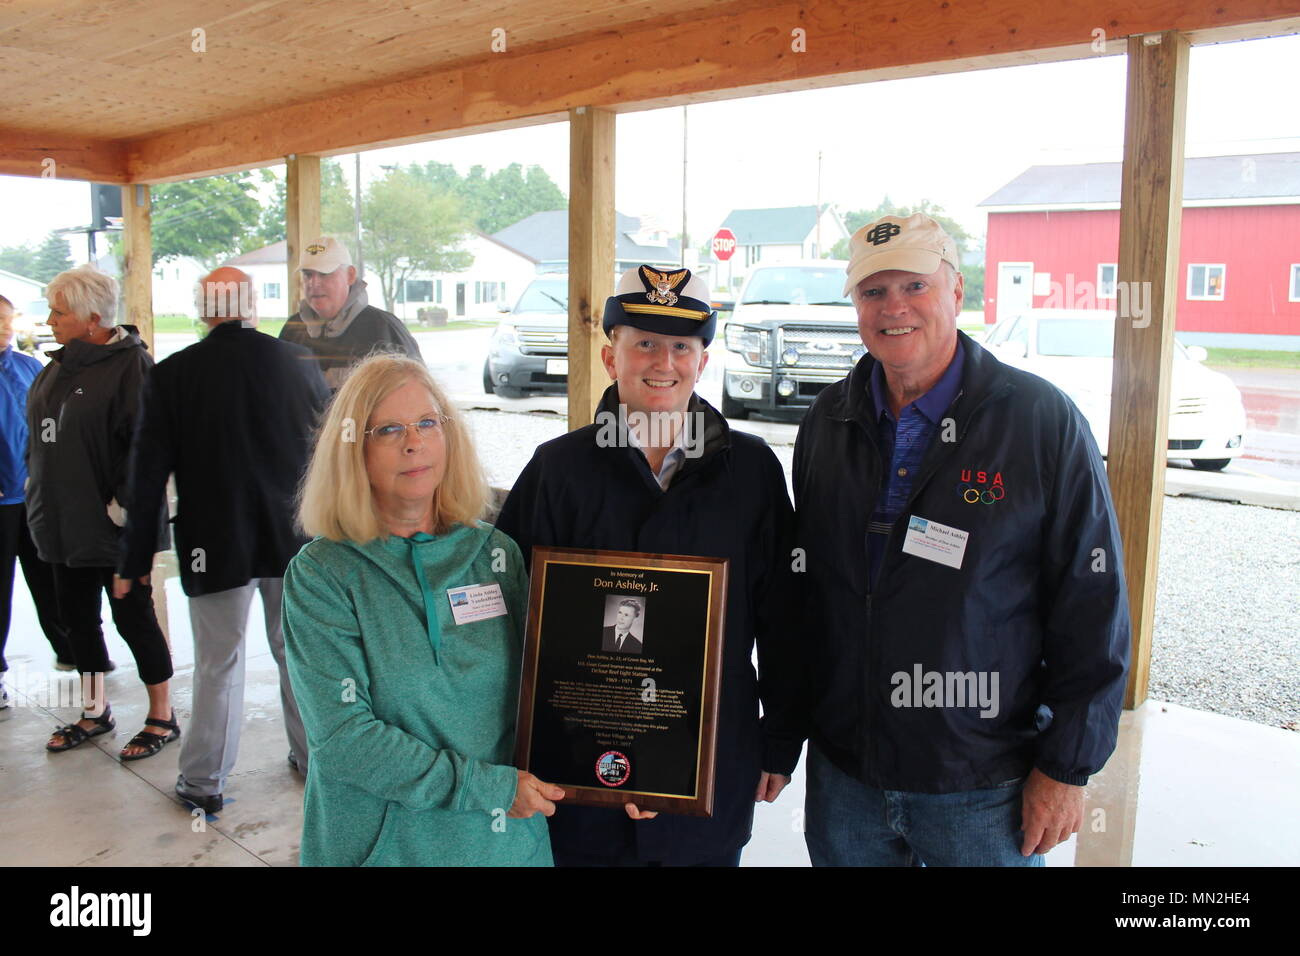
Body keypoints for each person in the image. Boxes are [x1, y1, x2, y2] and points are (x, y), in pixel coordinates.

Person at [793, 213, 1131, 866]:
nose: (894, 308)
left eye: (914, 286)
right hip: (847, 778)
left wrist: (1066, 768)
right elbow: (804, 593)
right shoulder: (828, 422)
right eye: (872, 292)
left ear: (955, 291)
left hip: (980, 784)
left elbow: (1093, 605)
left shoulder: (1039, 421)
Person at [495, 264, 803, 867]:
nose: (663, 362)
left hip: (712, 758)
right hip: (577, 766)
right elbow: (509, 613)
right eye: (644, 343)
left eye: (681, 346)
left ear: (702, 362)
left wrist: (782, 737)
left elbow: (785, 615)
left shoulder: (753, 470)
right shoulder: (558, 469)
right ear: (612, 359)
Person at [282, 355, 561, 866]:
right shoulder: (322, 574)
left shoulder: (496, 555)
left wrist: (630, 764)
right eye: (387, 429)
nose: (413, 442)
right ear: (352, 451)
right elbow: (343, 739)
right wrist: (488, 788)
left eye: (427, 423)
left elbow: (548, 694)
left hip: (505, 846)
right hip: (386, 849)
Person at [116, 268, 330, 813]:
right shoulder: (297, 365)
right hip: (296, 539)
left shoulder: (174, 374)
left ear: (203, 309)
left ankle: (203, 783)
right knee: (296, 653)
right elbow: (329, 455)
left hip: (215, 541)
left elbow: (148, 475)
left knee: (218, 662)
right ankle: (312, 762)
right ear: (251, 305)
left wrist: (135, 557)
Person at [27, 265, 179, 759]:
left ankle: (163, 716)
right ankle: (96, 711)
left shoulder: (132, 367)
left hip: (112, 532)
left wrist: (129, 525)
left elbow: (147, 451)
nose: (49, 320)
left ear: (92, 318)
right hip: (59, 525)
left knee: (133, 619)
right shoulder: (58, 367)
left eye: (59, 311)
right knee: (77, 621)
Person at [0, 295, 80, 707]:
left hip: (32, 494)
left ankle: (70, 651)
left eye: (7, 320)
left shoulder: (32, 368)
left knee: (48, 578)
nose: (5, 329)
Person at [278, 237, 422, 390]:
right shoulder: (292, 330)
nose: (314, 283)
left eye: (324, 274)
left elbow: (417, 392)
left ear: (350, 275)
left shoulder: (384, 328)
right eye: (308, 275)